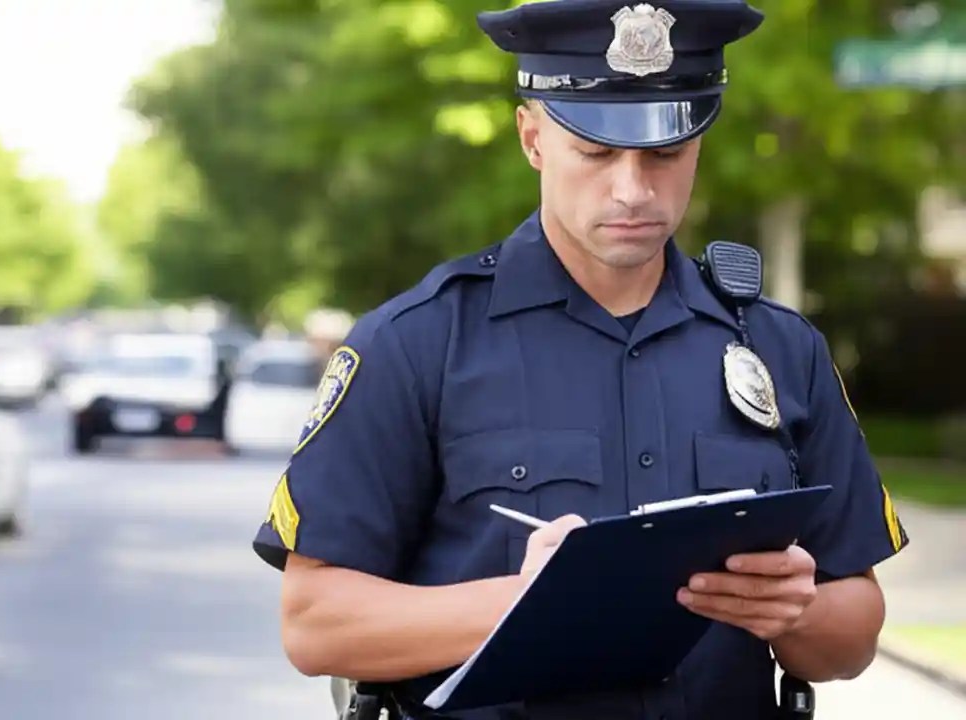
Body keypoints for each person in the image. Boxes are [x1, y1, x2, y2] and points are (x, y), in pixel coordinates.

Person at [251, 1, 910, 718]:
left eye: (665, 153)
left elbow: (851, 637)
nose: (632, 189)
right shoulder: (417, 343)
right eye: (595, 152)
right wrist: (529, 602)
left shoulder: (780, 349)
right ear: (532, 138)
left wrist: (793, 608)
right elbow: (314, 623)